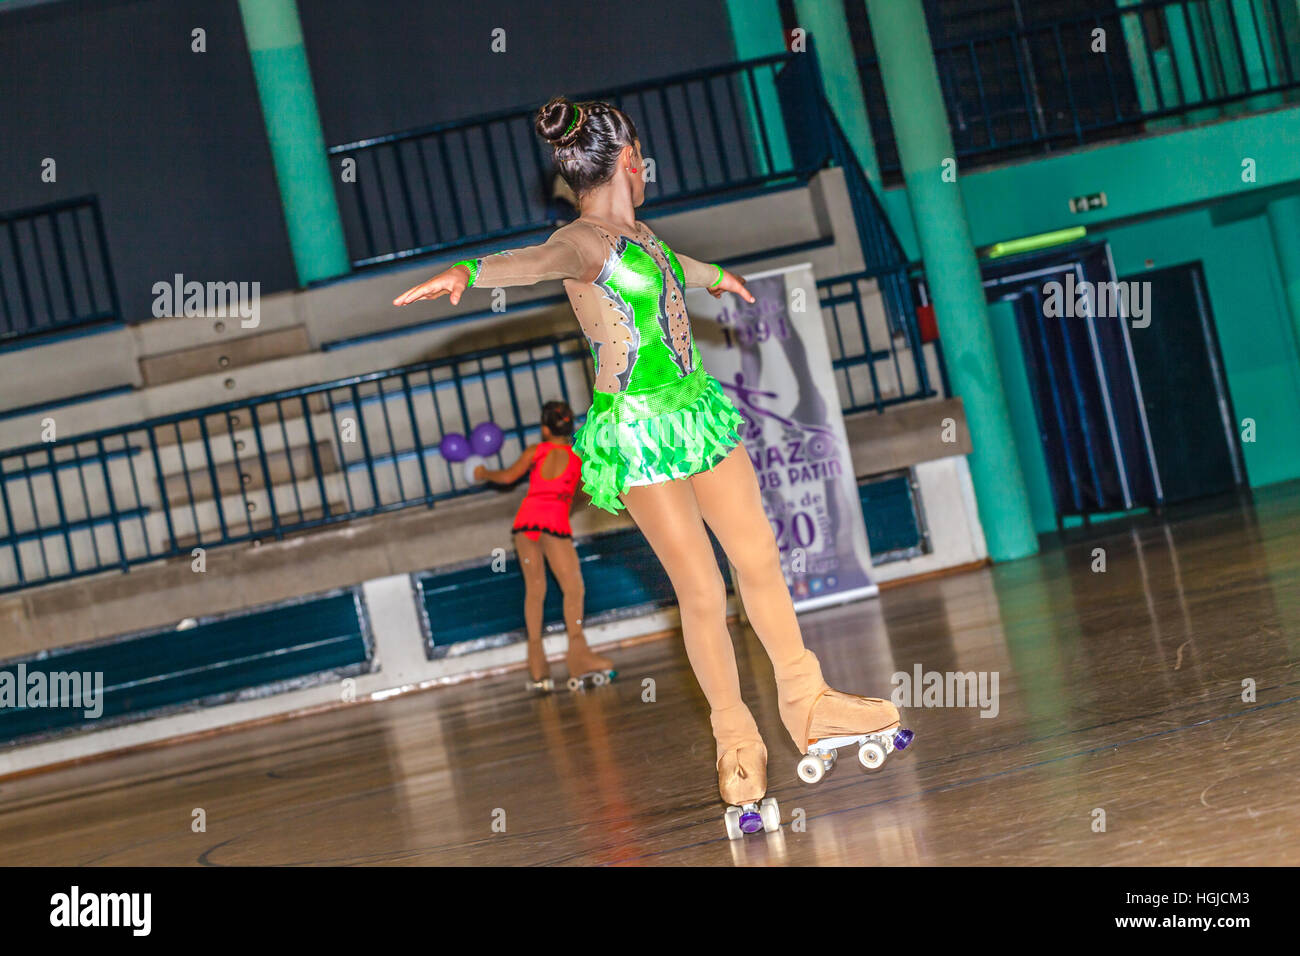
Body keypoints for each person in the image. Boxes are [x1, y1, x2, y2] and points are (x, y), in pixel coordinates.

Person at [395, 96, 910, 837]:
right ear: (629, 158)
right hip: (637, 434)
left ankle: (809, 701)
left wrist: (717, 277)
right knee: (700, 589)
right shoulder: (581, 240)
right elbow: (533, 264)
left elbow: (674, 268)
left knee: (760, 557)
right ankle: (737, 745)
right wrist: (469, 271)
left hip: (697, 409)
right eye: (642, 150)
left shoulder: (641, 233)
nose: (646, 161)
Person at [474, 400, 615, 693]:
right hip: (554, 525)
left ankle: (538, 667)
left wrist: (484, 473)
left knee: (535, 591)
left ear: (544, 428)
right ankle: (579, 656)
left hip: (526, 525)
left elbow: (508, 478)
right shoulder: (578, 457)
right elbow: (581, 492)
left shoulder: (535, 452)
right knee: (573, 588)